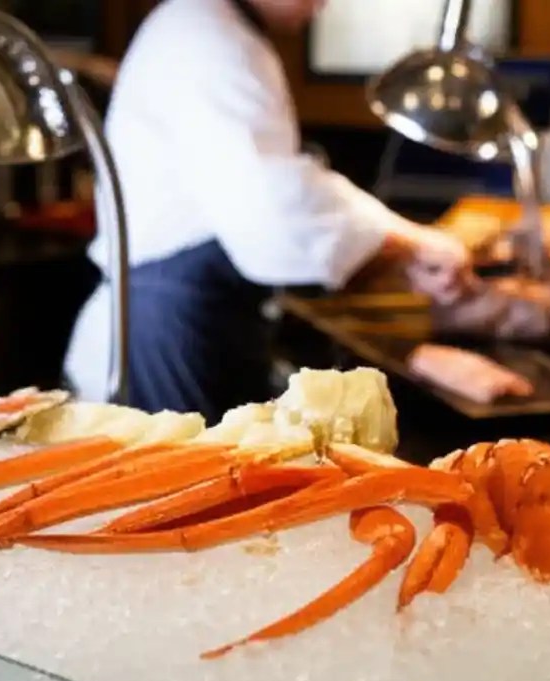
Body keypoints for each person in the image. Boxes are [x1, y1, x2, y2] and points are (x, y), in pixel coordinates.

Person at [64, 0, 472, 422]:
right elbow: (273, 209)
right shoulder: (206, 34)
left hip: (191, 319)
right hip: (169, 334)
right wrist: (409, 240)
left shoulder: (213, 27)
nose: (324, 4)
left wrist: (398, 247)